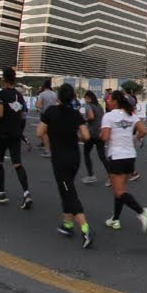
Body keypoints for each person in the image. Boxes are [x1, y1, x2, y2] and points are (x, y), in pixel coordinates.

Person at [37, 84, 93, 249]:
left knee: (69, 193)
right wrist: (74, 137)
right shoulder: (76, 114)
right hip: (74, 158)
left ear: (58, 97)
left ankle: (85, 229)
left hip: (60, 159)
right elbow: (86, 136)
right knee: (66, 188)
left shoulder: (51, 112)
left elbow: (39, 132)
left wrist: (49, 144)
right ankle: (67, 225)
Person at [101, 90, 147, 232]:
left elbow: (105, 137)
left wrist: (103, 133)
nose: (107, 101)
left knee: (119, 192)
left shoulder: (108, 116)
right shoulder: (131, 115)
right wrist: (134, 139)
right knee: (120, 190)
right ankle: (115, 219)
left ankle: (142, 212)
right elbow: (143, 131)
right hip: (130, 156)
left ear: (115, 101)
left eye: (109, 99)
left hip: (116, 156)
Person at [0, 68, 32, 208]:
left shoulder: (1, 94)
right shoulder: (19, 96)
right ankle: (26, 193)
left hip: (3, 133)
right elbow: (22, 115)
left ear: (4, 79)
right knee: (17, 163)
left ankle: (1, 192)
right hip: (15, 132)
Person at [80, 91, 110, 185]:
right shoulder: (99, 106)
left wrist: (84, 119)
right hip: (100, 133)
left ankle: (91, 175)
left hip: (92, 133)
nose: (85, 100)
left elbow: (91, 116)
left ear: (88, 98)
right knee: (102, 156)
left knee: (86, 153)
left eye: (85, 98)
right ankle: (111, 175)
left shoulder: (88, 105)